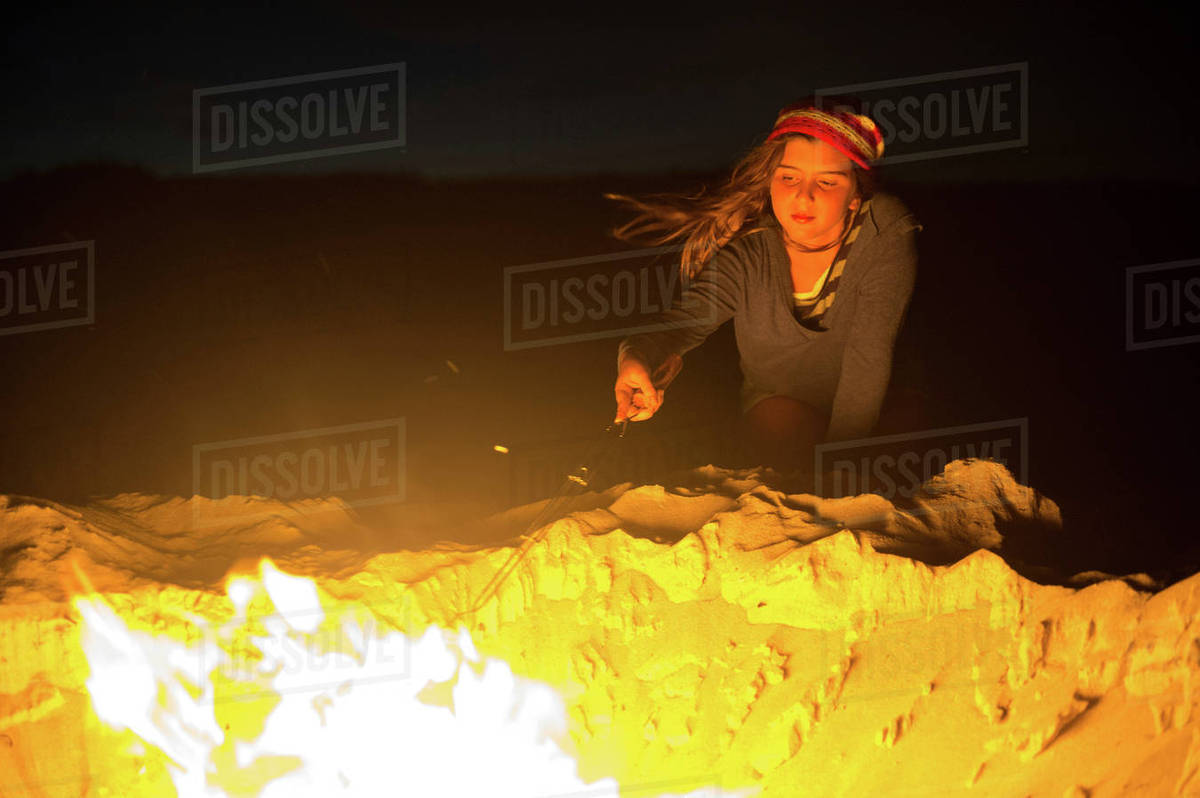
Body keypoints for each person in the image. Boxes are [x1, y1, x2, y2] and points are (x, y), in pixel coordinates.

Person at [607, 98, 922, 477]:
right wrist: (635, 358)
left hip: (881, 397)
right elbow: (683, 324)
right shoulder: (749, 253)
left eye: (827, 181)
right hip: (782, 402)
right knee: (778, 426)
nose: (803, 197)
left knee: (903, 436)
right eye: (789, 177)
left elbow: (869, 359)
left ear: (856, 195)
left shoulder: (883, 230)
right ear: (770, 180)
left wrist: (842, 461)